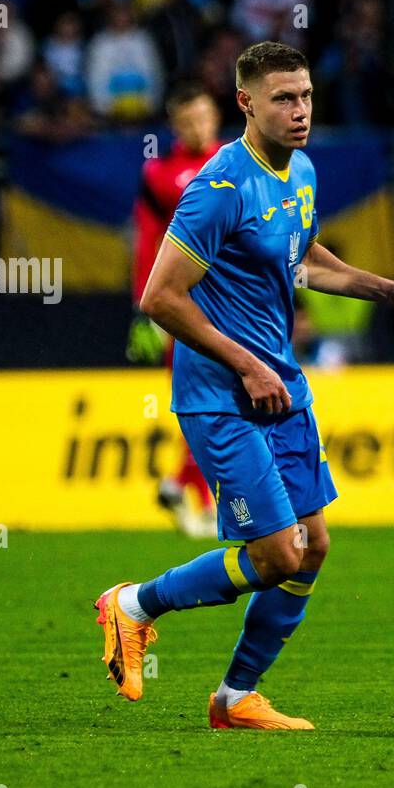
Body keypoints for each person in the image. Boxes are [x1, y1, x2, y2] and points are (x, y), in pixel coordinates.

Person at [95, 41, 394, 730]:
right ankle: (133, 605)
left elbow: (304, 259)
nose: (301, 111)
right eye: (284, 99)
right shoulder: (218, 189)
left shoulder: (303, 172)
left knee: (313, 546)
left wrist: (389, 291)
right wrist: (245, 362)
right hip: (223, 393)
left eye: (308, 96)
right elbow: (160, 297)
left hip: (281, 384)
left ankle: (234, 699)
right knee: (275, 553)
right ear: (246, 104)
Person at [128, 81, 223, 537]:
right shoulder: (160, 175)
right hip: (183, 305)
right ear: (175, 124)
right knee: (200, 402)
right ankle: (201, 500)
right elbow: (148, 241)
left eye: (203, 117)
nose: (197, 126)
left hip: (234, 303)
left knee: (221, 402)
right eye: (188, 120)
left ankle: (182, 485)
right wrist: (145, 304)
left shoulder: (235, 160)